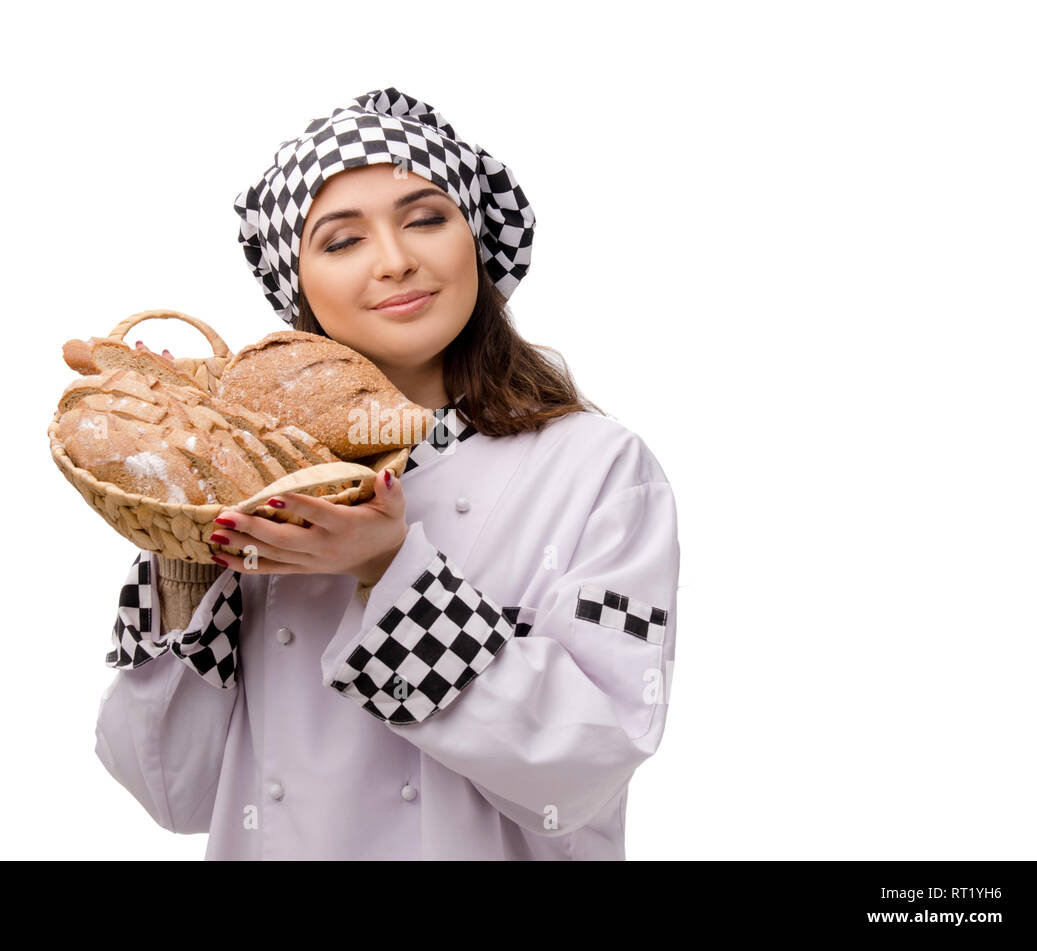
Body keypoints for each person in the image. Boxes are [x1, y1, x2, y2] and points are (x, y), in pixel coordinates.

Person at [94, 87, 681, 860]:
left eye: (426, 218)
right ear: (298, 286)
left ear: (474, 238)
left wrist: (387, 570)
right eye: (342, 241)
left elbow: (587, 765)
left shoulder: (598, 468)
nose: (395, 258)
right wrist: (182, 527)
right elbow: (172, 792)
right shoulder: (263, 486)